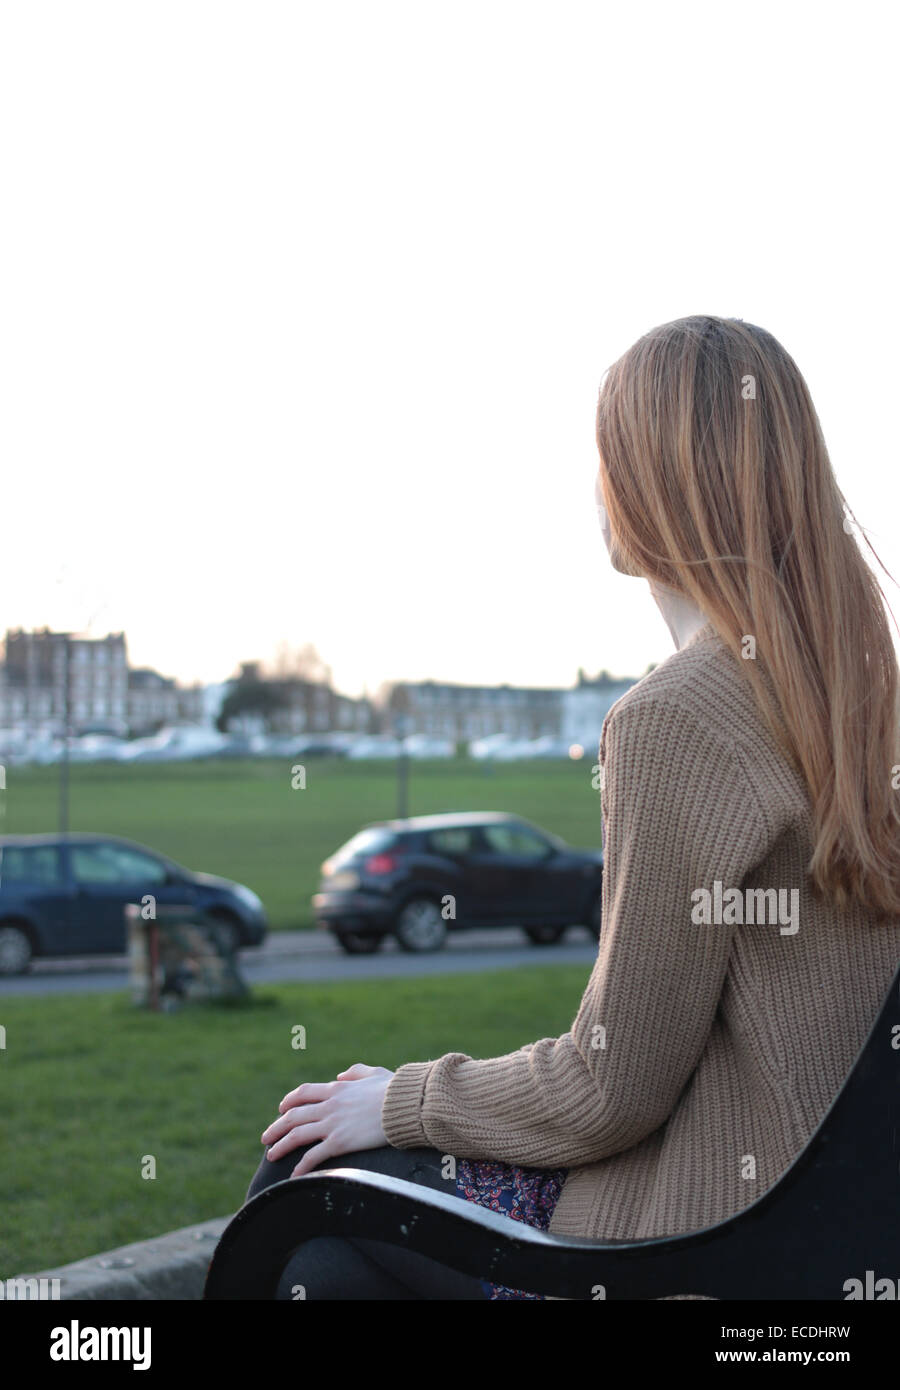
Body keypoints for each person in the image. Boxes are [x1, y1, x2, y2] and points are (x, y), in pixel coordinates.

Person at [244, 314, 900, 1299]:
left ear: (640, 485)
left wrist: (402, 1098)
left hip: (718, 1249)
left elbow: (608, 1089)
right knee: (326, 1225)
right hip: (847, 1233)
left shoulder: (678, 718)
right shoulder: (862, 696)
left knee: (298, 1188)